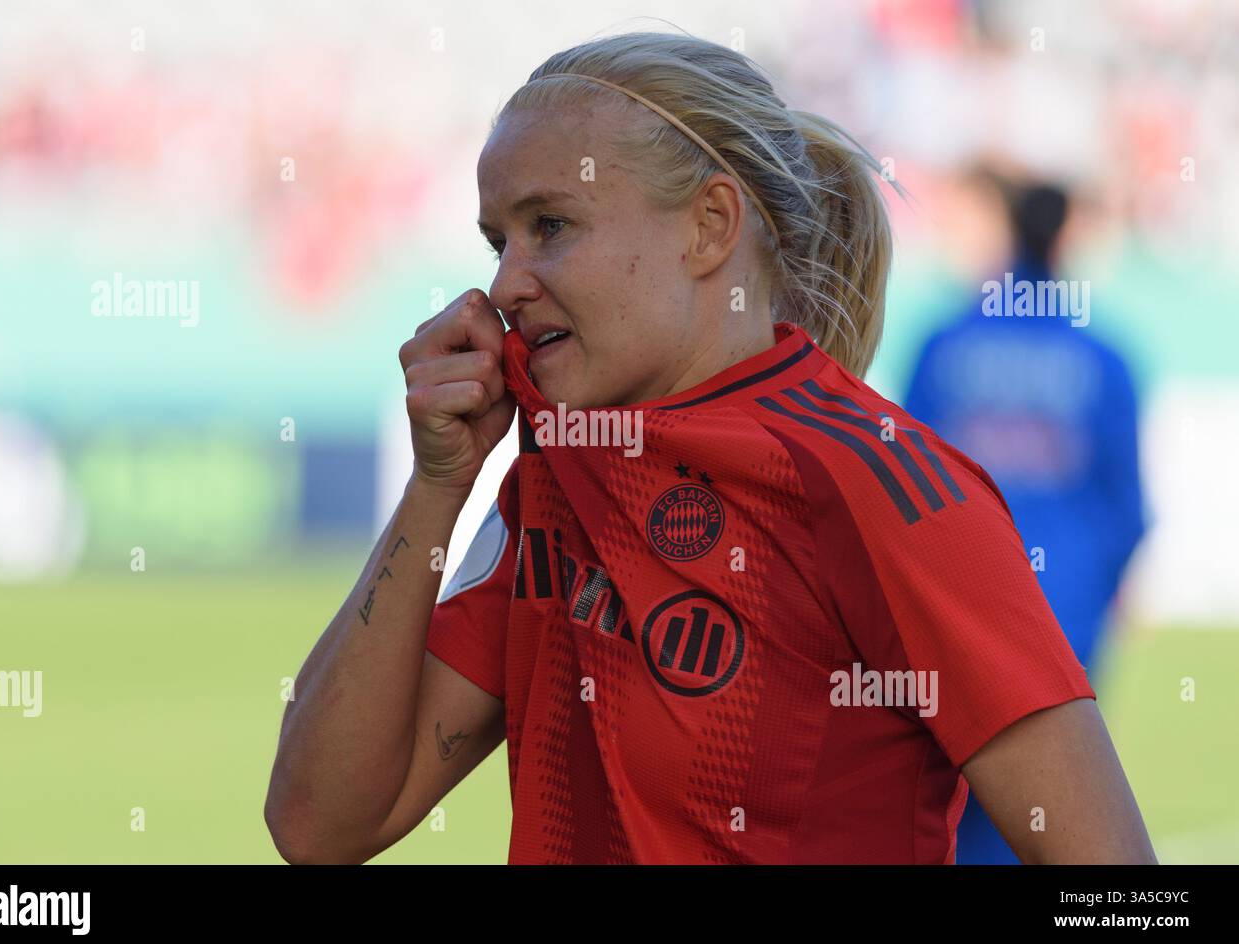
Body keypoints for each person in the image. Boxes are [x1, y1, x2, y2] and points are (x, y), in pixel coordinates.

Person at [264, 31, 1156, 864]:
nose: (504, 283)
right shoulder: (550, 476)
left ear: (710, 226)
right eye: (499, 240)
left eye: (551, 226)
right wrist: (438, 486)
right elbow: (320, 823)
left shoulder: (883, 485)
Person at [904, 175, 1147, 864]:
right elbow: (1128, 510)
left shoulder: (945, 342)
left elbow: (902, 487)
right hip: (1063, 615)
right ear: (1069, 236)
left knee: (942, 816)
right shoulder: (1102, 357)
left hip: (951, 612)